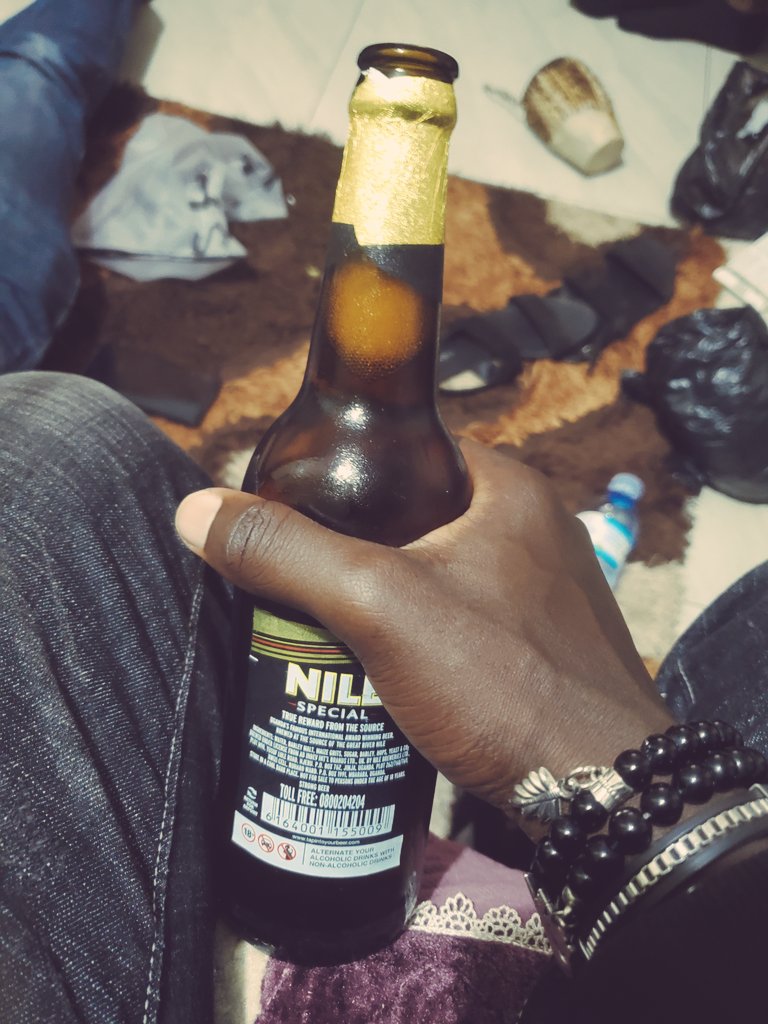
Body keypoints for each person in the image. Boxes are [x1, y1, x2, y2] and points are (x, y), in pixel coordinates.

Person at [2, 369, 768, 1024]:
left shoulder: (415, 453)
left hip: (385, 890)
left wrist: (600, 760)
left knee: (50, 429)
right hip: (266, 856)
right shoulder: (331, 434)